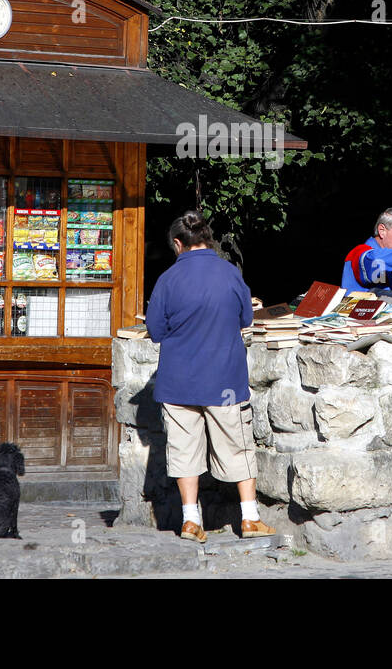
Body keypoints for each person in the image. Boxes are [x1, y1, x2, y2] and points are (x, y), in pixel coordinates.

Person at [146, 210, 276, 543]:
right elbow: (246, 318)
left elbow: (156, 330)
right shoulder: (230, 273)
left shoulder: (168, 279)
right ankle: (250, 518)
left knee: (183, 450)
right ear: (207, 239)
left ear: (178, 243)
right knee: (238, 446)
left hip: (178, 382)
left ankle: (191, 521)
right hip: (224, 380)